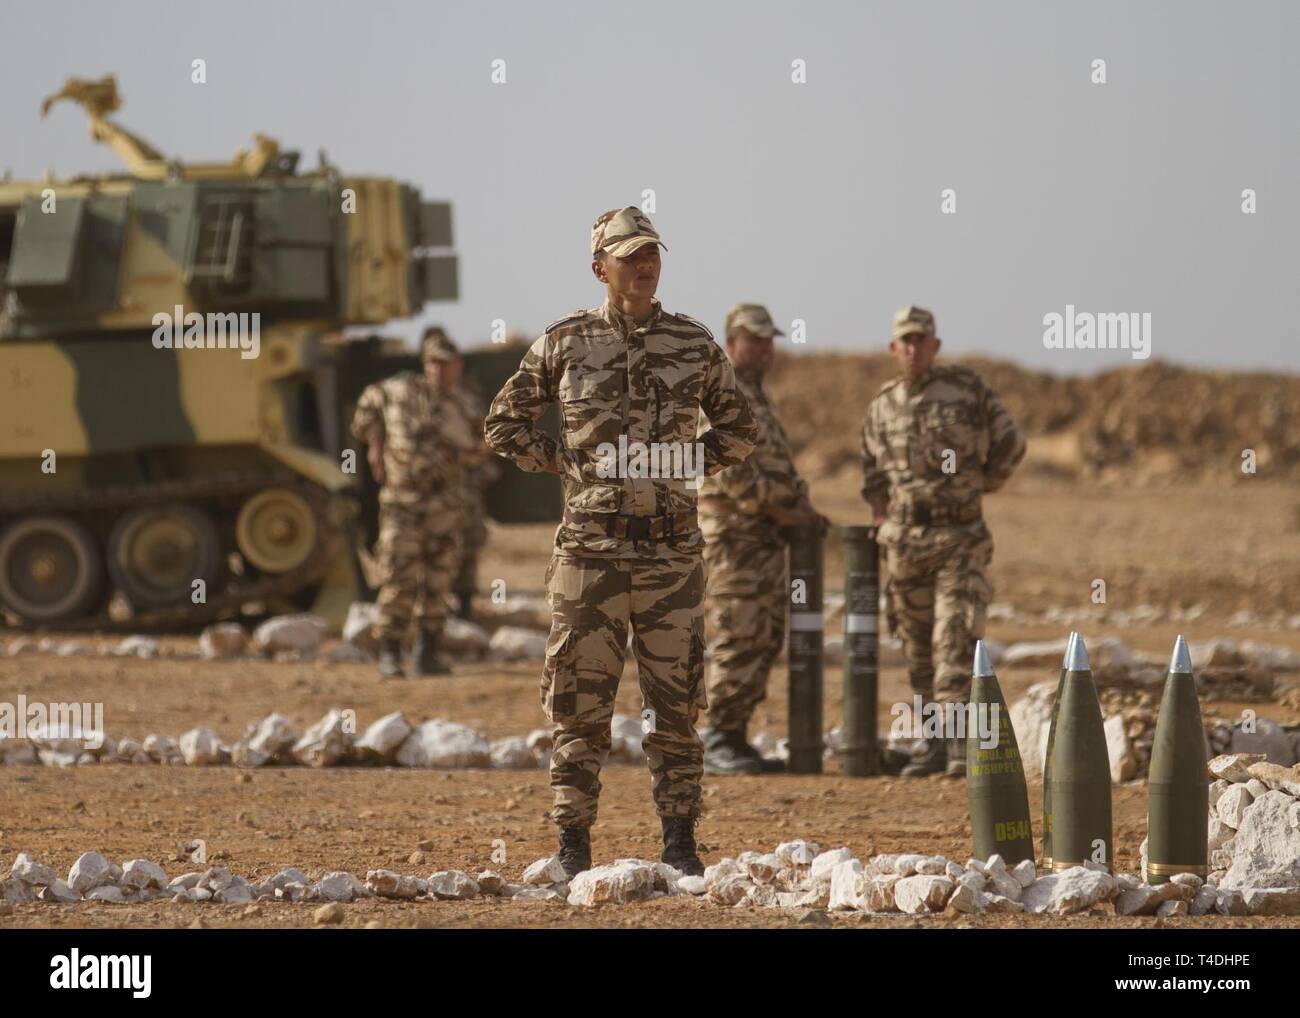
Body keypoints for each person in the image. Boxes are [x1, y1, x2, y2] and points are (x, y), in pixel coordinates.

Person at [484, 206, 757, 877]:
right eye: (630, 254)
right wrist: (557, 461)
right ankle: (573, 847)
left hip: (670, 558)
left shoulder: (692, 343)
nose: (645, 264)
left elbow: (739, 427)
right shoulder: (565, 343)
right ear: (599, 266)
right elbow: (501, 423)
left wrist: (687, 465)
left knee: (676, 710)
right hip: (589, 556)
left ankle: (680, 847)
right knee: (579, 709)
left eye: (653, 253)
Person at [860, 305, 1026, 776]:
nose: (913, 349)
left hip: (958, 538)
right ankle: (932, 747)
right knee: (916, 652)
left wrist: (977, 487)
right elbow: (870, 475)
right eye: (904, 341)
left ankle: (958, 749)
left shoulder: (967, 390)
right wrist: (884, 517)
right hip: (905, 544)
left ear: (934, 346)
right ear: (894, 349)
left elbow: (1011, 443)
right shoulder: (881, 405)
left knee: (954, 642)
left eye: (921, 340)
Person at [698, 303, 826, 775]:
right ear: (732, 342)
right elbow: (728, 469)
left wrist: (802, 506)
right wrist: (779, 509)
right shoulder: (717, 391)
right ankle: (717, 739)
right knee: (739, 630)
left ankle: (734, 735)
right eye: (754, 339)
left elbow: (776, 466)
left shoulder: (755, 395)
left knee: (765, 635)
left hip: (764, 539)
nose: (764, 348)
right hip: (734, 537)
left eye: (769, 340)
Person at [351, 328, 482, 678]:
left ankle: (428, 652)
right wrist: (375, 444)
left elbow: (480, 448)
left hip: (445, 505)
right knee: (398, 575)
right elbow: (364, 409)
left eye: (446, 364)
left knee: (439, 580)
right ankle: (390, 653)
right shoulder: (397, 391)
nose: (439, 370)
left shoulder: (466, 407)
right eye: (433, 363)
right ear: (425, 365)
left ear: (458, 366)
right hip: (402, 503)